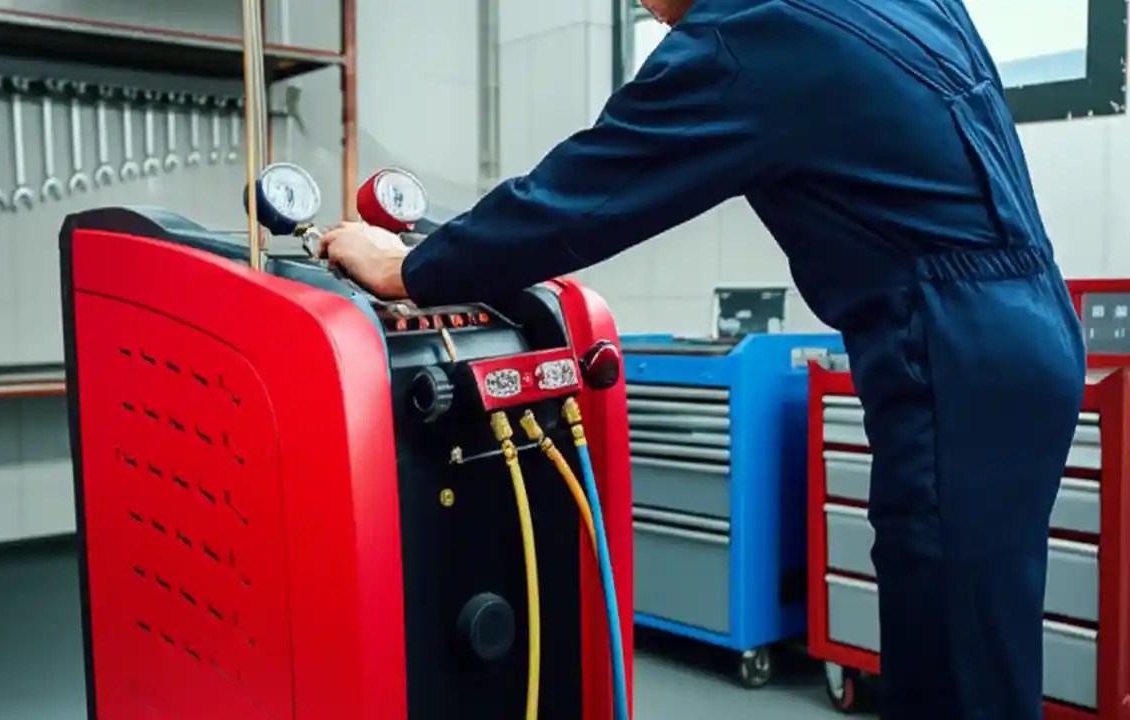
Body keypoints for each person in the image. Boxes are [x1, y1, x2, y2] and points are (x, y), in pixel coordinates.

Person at [319, 0, 1086, 717]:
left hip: (955, 351)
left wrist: (405, 271)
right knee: (983, 626)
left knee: (952, 655)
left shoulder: (749, 31)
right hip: (1033, 328)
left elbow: (583, 194)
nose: (649, 10)